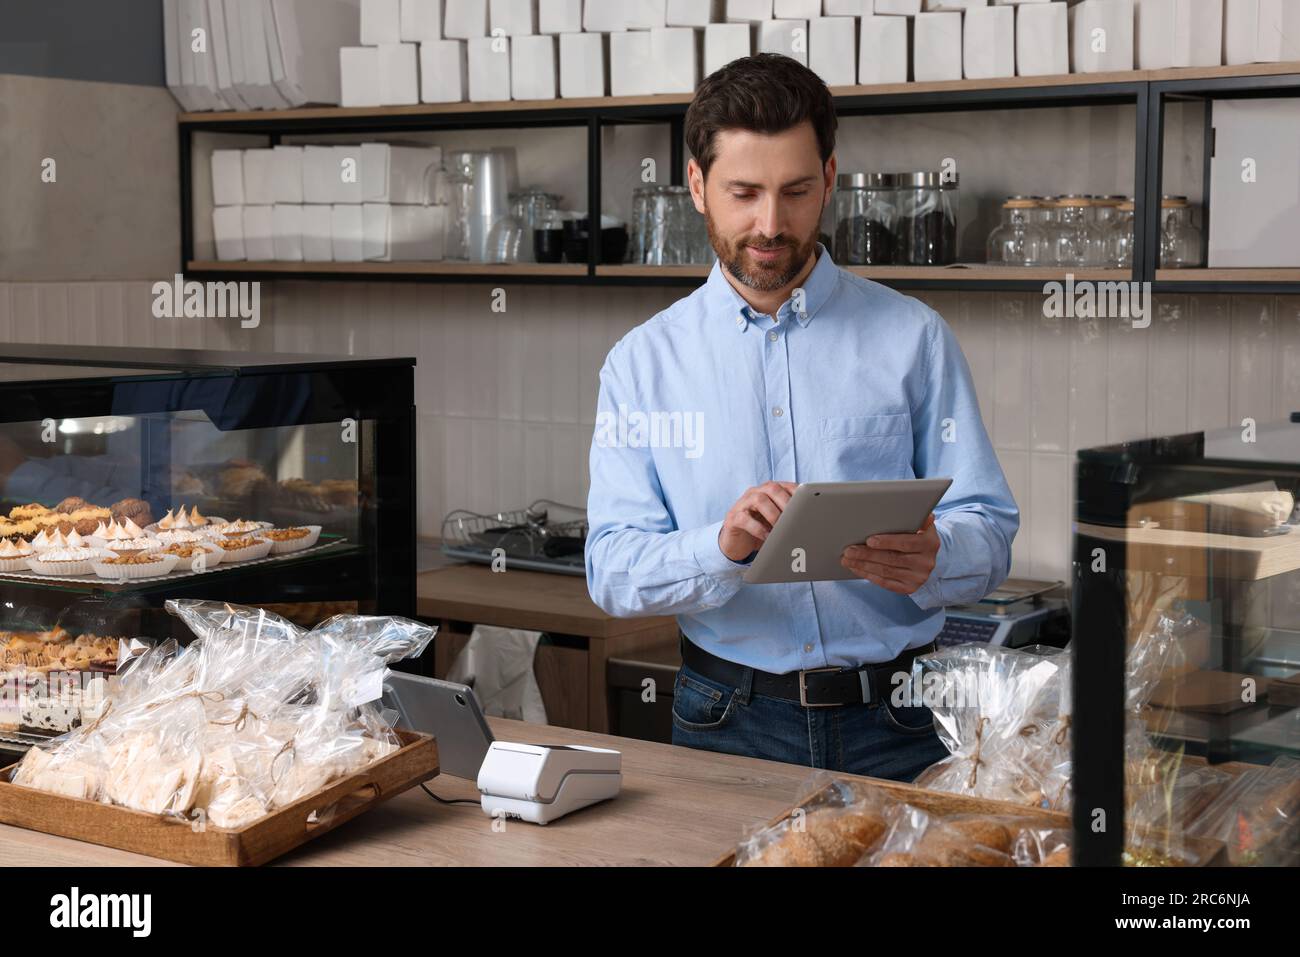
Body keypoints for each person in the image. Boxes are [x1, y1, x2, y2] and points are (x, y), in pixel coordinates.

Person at [584, 55, 1019, 782]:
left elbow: (992, 529)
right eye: (743, 192)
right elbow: (612, 572)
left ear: (830, 178)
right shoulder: (641, 366)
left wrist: (938, 555)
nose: (770, 224)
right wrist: (718, 546)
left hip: (905, 719)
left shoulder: (913, 337)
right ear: (696, 185)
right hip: (728, 720)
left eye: (795, 191)